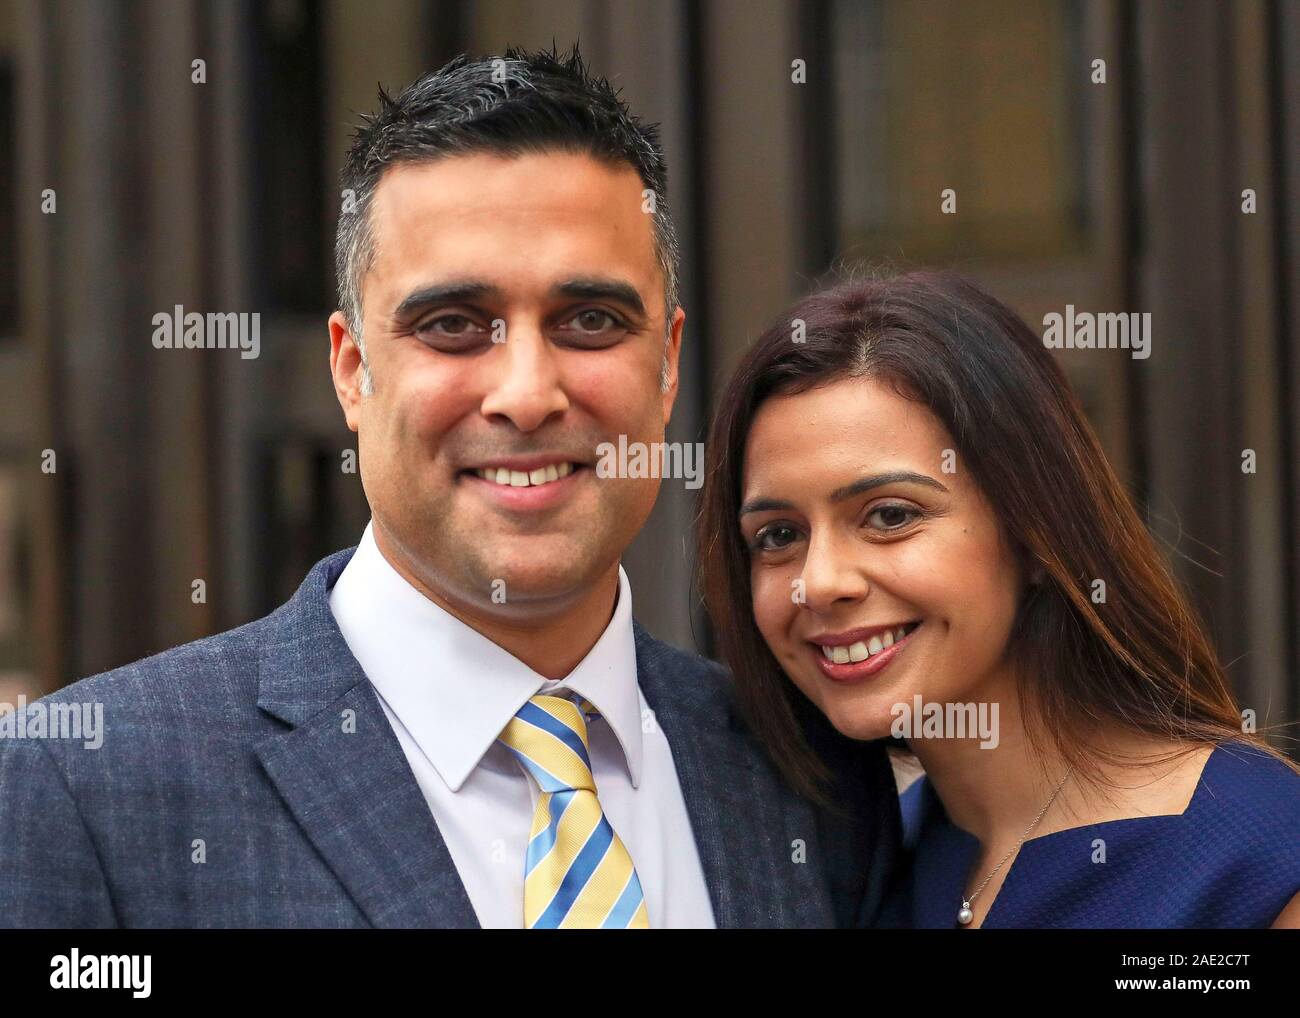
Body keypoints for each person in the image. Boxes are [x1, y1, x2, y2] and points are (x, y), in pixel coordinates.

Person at [0, 47, 899, 929]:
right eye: (455, 325)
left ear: (666, 363)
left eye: (589, 321)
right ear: (351, 371)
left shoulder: (811, 779)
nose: (526, 395)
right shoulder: (90, 789)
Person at [695, 268, 1300, 928]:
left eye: (890, 516)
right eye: (778, 535)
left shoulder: (1255, 859)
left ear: (1035, 534)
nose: (822, 581)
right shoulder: (857, 869)